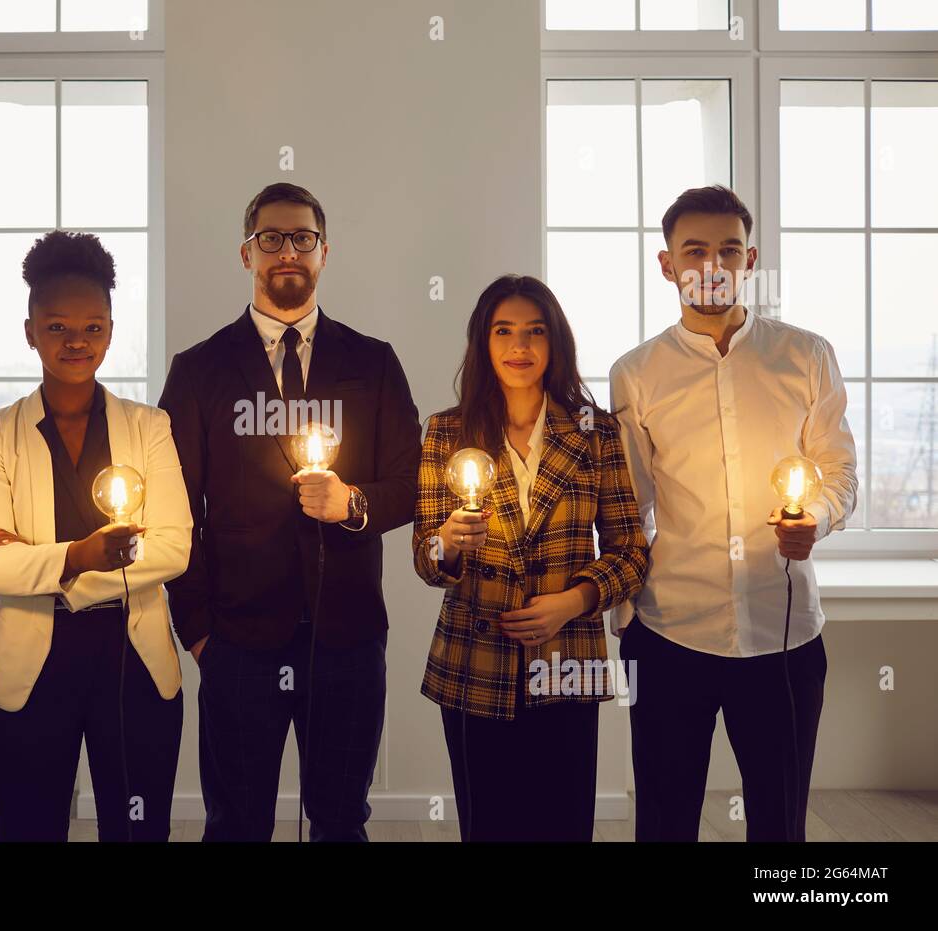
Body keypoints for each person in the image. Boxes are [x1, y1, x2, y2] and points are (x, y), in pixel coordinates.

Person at [159, 183, 422, 841]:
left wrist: (352, 502)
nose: (287, 252)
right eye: (271, 238)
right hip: (236, 641)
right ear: (246, 253)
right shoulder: (198, 370)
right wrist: (197, 630)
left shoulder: (374, 362)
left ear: (323, 252)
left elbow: (413, 484)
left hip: (350, 636)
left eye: (302, 238)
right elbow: (173, 506)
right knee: (236, 822)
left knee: (339, 819)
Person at [609, 184, 858, 841]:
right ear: (667, 265)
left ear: (751, 259)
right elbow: (628, 504)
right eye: (694, 250)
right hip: (668, 636)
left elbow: (839, 473)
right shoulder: (636, 372)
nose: (712, 264)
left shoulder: (807, 356)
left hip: (785, 632)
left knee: (779, 828)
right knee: (663, 823)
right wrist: (625, 613)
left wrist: (820, 519)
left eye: (728, 249)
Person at [0, 231, 191, 842]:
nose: (76, 342)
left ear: (110, 332)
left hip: (134, 657)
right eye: (58, 327)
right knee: (28, 829)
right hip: (29, 664)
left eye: (93, 327)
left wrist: (43, 564)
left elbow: (173, 547)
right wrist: (85, 554)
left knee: (138, 830)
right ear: (30, 329)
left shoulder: (149, 426)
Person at [414, 273, 648, 841]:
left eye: (535, 331)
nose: (520, 347)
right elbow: (426, 561)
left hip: (567, 659)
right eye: (504, 331)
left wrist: (572, 601)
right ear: (483, 342)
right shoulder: (447, 431)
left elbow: (631, 551)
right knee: (487, 826)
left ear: (555, 342)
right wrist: (446, 539)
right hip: (475, 661)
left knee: (563, 825)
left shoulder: (595, 431)